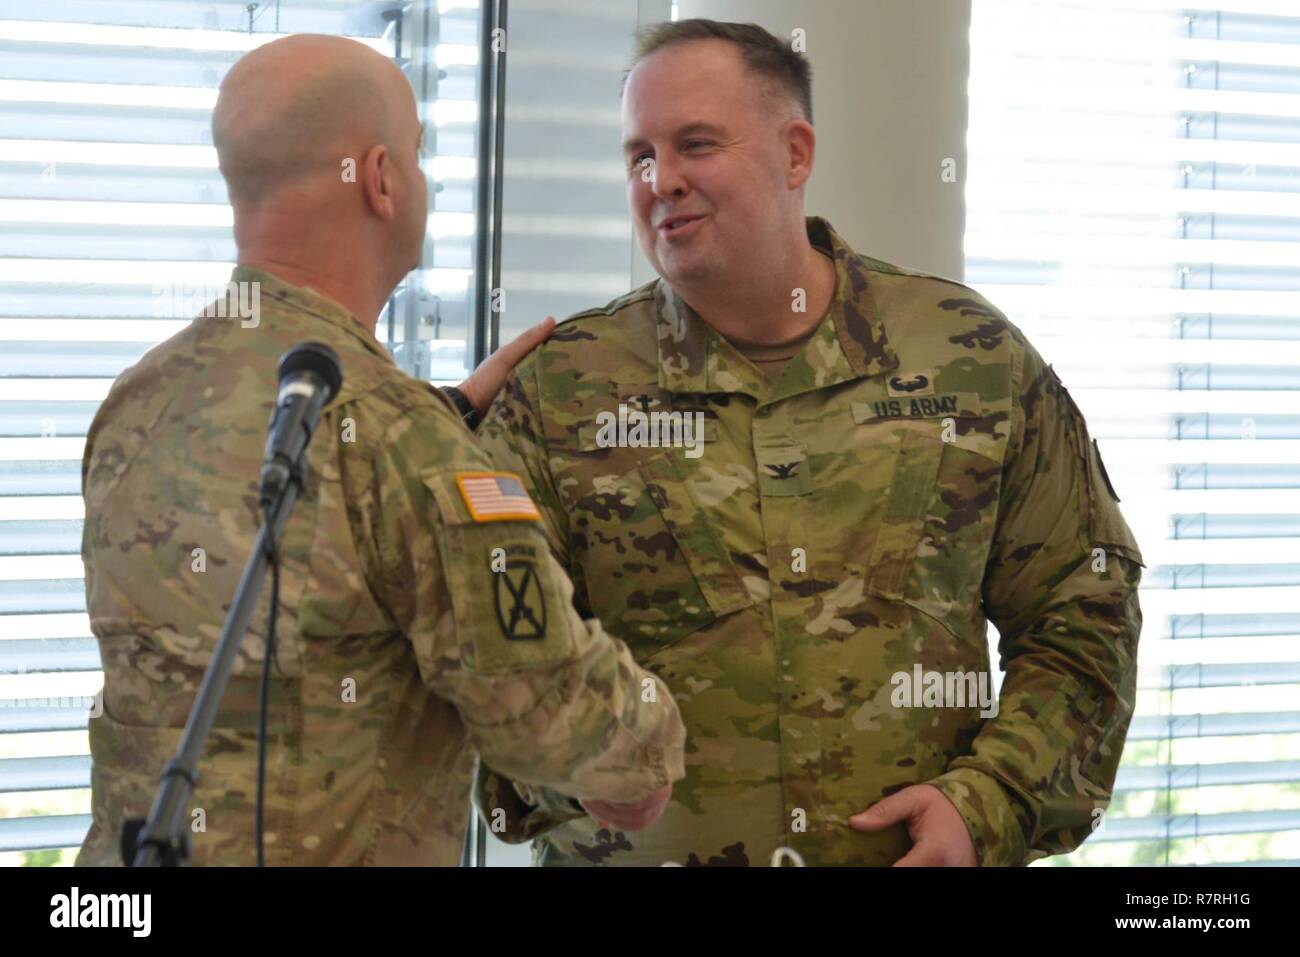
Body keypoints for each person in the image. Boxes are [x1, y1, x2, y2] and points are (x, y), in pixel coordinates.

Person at [473, 19, 1144, 867]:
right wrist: (565, 763)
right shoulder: (561, 388)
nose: (661, 180)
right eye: (639, 156)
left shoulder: (970, 358)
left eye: (696, 145)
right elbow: (473, 636)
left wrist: (988, 802)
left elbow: (1084, 611)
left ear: (795, 154)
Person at [75, 33, 684, 867]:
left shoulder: (138, 399)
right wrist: (656, 730)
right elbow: (592, 742)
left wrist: (442, 421)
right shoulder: (399, 441)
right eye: (419, 158)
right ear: (380, 179)